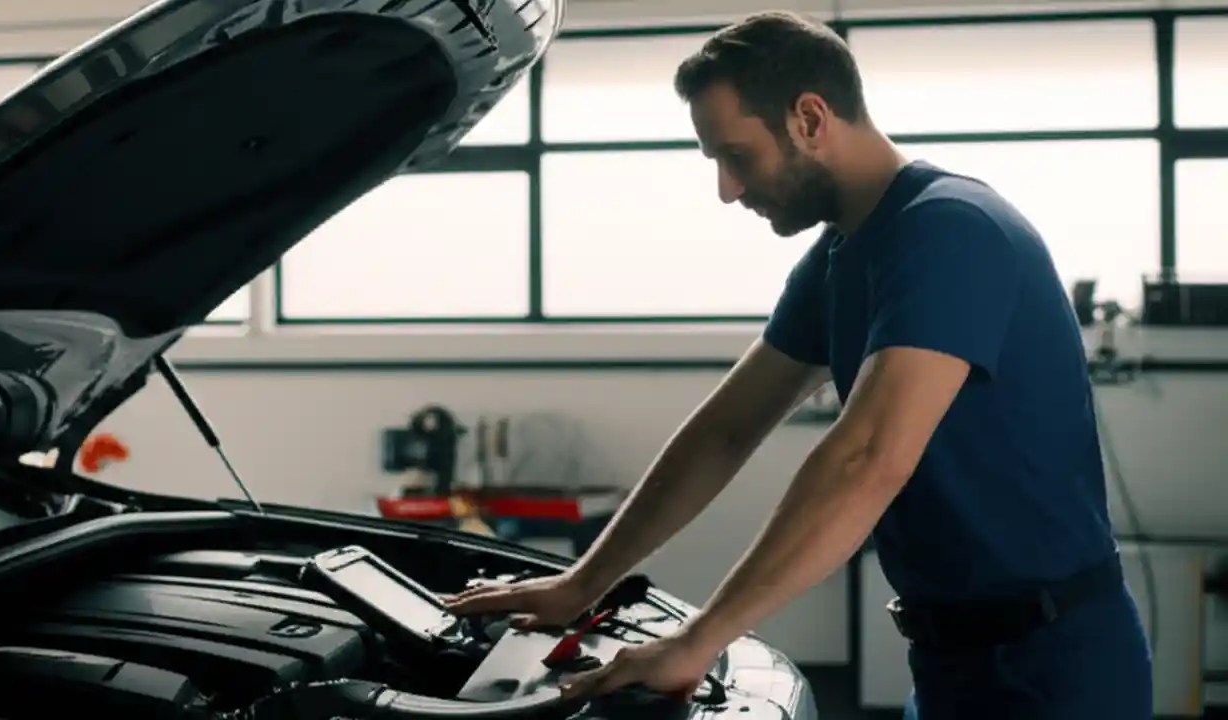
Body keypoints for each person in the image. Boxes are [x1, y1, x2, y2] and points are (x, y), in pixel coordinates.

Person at [445, 11, 1153, 719]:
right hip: (949, 664)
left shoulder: (950, 229)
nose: (727, 188)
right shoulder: (843, 256)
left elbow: (867, 457)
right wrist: (582, 583)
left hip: (1055, 669)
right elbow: (724, 430)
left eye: (738, 156)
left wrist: (698, 642)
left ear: (810, 119)